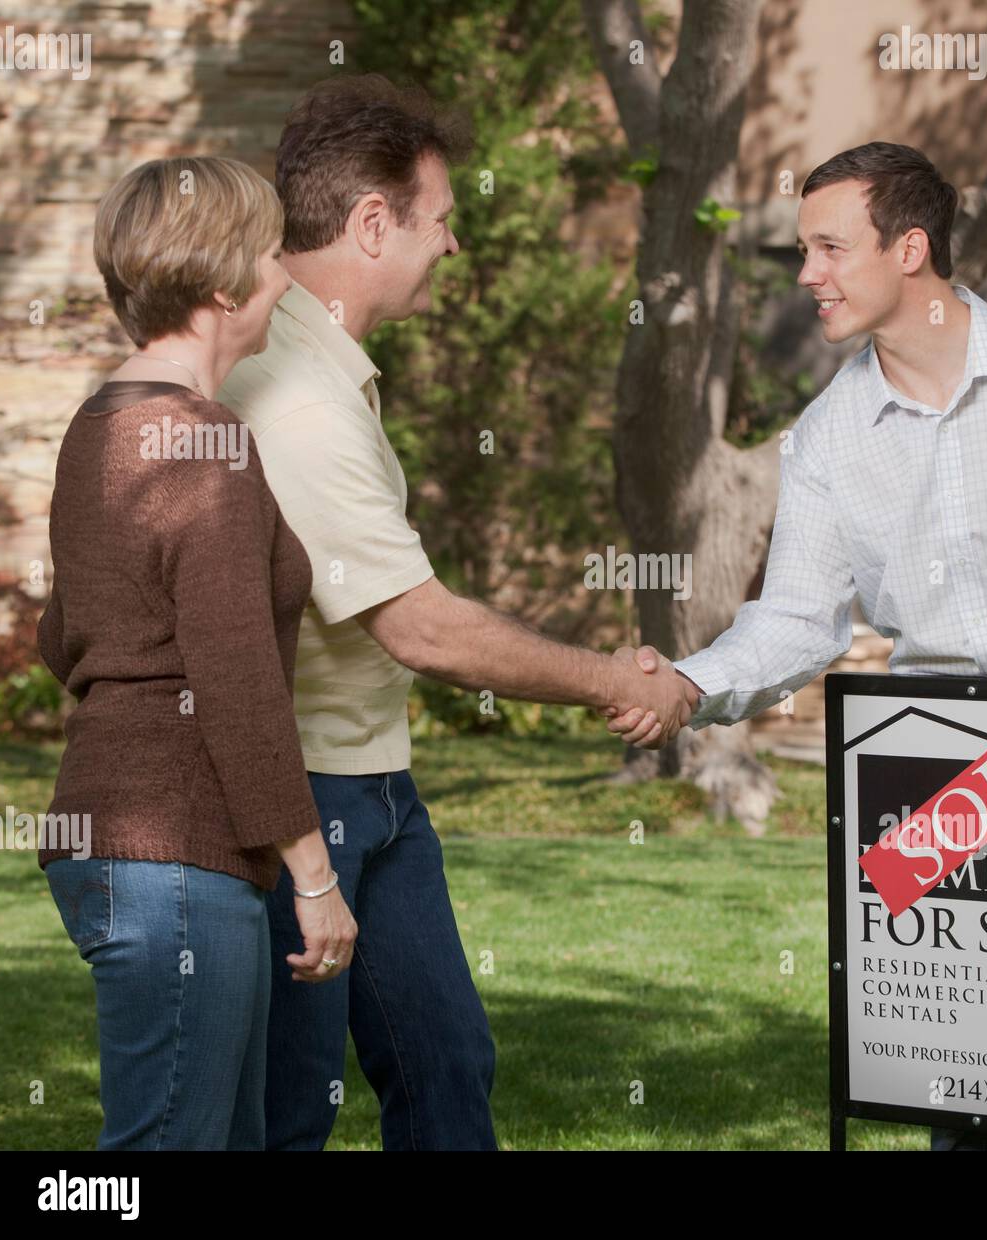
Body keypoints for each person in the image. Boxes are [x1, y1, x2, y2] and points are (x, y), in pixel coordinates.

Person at [611, 142, 987, 1152]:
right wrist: (691, 682)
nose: (806, 273)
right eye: (802, 248)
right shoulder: (825, 437)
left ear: (910, 248)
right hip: (925, 771)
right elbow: (796, 618)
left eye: (827, 247)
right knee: (967, 1082)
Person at [217, 74, 696, 1151]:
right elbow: (420, 628)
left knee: (445, 1068)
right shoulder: (290, 393)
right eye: (440, 221)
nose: (452, 246)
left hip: (377, 788)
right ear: (372, 224)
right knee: (291, 1108)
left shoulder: (317, 367)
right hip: (304, 801)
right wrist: (619, 682)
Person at [37, 156, 357, 1150]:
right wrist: (314, 874)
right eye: (269, 255)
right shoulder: (205, 445)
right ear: (224, 285)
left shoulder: (101, 425)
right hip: (171, 853)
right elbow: (238, 684)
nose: (284, 276)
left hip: (123, 842)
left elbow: (65, 635)